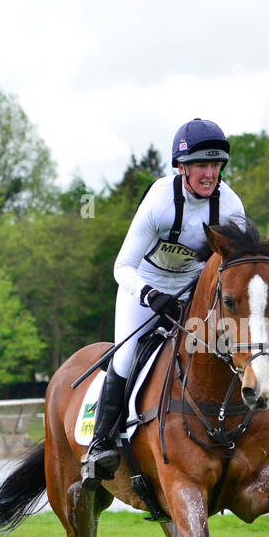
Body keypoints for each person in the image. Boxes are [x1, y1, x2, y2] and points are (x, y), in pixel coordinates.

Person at [82, 118, 245, 485]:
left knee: (230, 348)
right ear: (181, 167)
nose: (210, 174)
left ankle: (250, 437)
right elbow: (121, 266)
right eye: (202, 165)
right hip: (143, 288)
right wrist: (151, 295)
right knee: (125, 356)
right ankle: (101, 445)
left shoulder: (231, 206)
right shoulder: (159, 200)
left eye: (216, 166)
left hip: (192, 292)